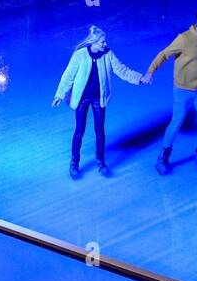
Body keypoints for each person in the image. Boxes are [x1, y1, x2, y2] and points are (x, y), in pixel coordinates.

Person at [52, 25, 150, 179]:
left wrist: (139, 78)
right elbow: (68, 75)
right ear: (93, 42)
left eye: (105, 42)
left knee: (100, 132)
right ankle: (74, 163)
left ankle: (101, 161)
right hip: (82, 99)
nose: (105, 44)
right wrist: (59, 95)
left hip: (99, 98)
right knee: (79, 131)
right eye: (102, 42)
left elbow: (122, 70)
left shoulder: (108, 54)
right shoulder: (80, 55)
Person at [148, 11, 197, 177]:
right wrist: (150, 72)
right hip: (182, 90)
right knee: (176, 123)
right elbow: (164, 54)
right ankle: (163, 157)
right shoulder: (184, 39)